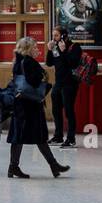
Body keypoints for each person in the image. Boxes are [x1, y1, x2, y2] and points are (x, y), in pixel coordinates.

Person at [9, 36, 71, 179]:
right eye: (35, 47)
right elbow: (34, 81)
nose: (37, 50)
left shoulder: (18, 61)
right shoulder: (29, 62)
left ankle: (14, 167)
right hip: (30, 105)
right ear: (28, 49)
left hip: (21, 104)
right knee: (37, 136)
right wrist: (42, 74)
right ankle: (52, 166)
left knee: (21, 136)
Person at [46, 27, 82, 148]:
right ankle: (58, 136)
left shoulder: (74, 47)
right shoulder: (55, 47)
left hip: (70, 83)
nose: (54, 38)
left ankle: (71, 138)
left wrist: (64, 51)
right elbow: (49, 63)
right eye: (53, 35)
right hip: (59, 82)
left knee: (68, 110)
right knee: (56, 110)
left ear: (63, 36)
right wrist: (49, 50)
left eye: (56, 35)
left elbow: (72, 63)